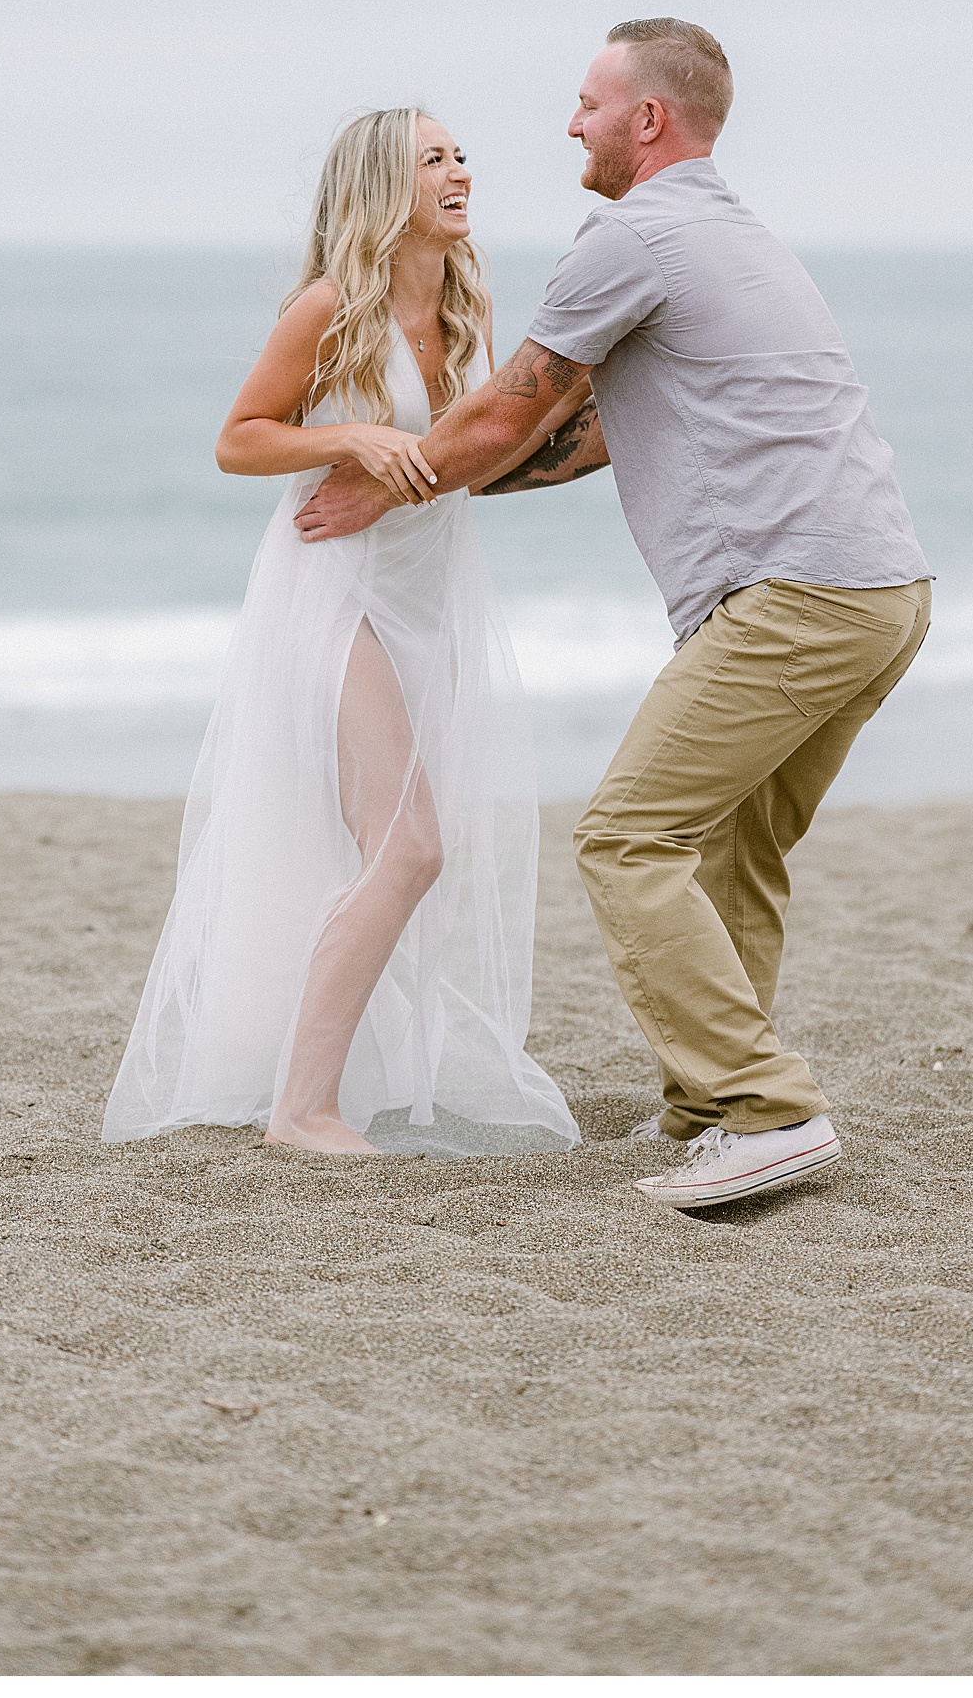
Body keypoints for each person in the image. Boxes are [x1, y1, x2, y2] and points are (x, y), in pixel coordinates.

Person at [294, 19, 931, 1209]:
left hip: (791, 598)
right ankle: (710, 1105)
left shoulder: (629, 238)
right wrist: (448, 475)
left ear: (648, 121)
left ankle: (769, 1109)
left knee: (625, 838)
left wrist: (379, 483)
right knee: (736, 848)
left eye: (587, 103)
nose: (568, 124)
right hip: (882, 591)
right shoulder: (728, 231)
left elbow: (496, 422)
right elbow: (577, 439)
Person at [102, 107, 579, 1158]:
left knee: (379, 852)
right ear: (383, 188)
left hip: (430, 594)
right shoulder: (328, 307)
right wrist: (354, 434)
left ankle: (320, 1079)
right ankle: (301, 1110)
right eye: (434, 160)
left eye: (462, 156)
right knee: (410, 850)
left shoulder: (467, 304)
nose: (461, 171)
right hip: (337, 594)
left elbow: (476, 458)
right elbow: (237, 441)